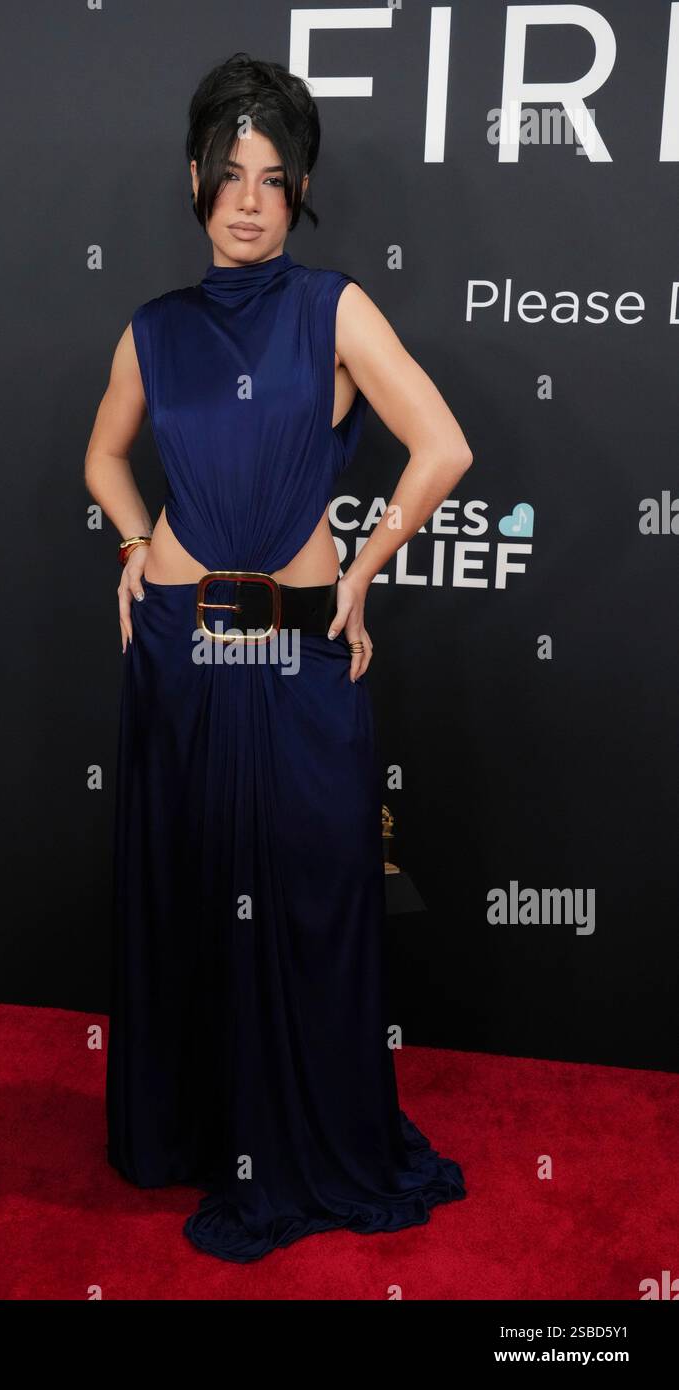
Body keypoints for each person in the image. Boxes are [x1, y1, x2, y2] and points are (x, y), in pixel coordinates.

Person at [84, 51, 473, 1263]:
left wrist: (358, 575)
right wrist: (140, 542)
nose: (248, 200)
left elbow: (442, 447)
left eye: (273, 177)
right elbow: (102, 462)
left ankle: (305, 1139)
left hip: (297, 656)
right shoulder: (153, 330)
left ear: (299, 186)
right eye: (228, 174)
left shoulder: (332, 309)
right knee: (194, 896)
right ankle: (198, 1133)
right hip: (182, 653)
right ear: (192, 179)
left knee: (310, 901)